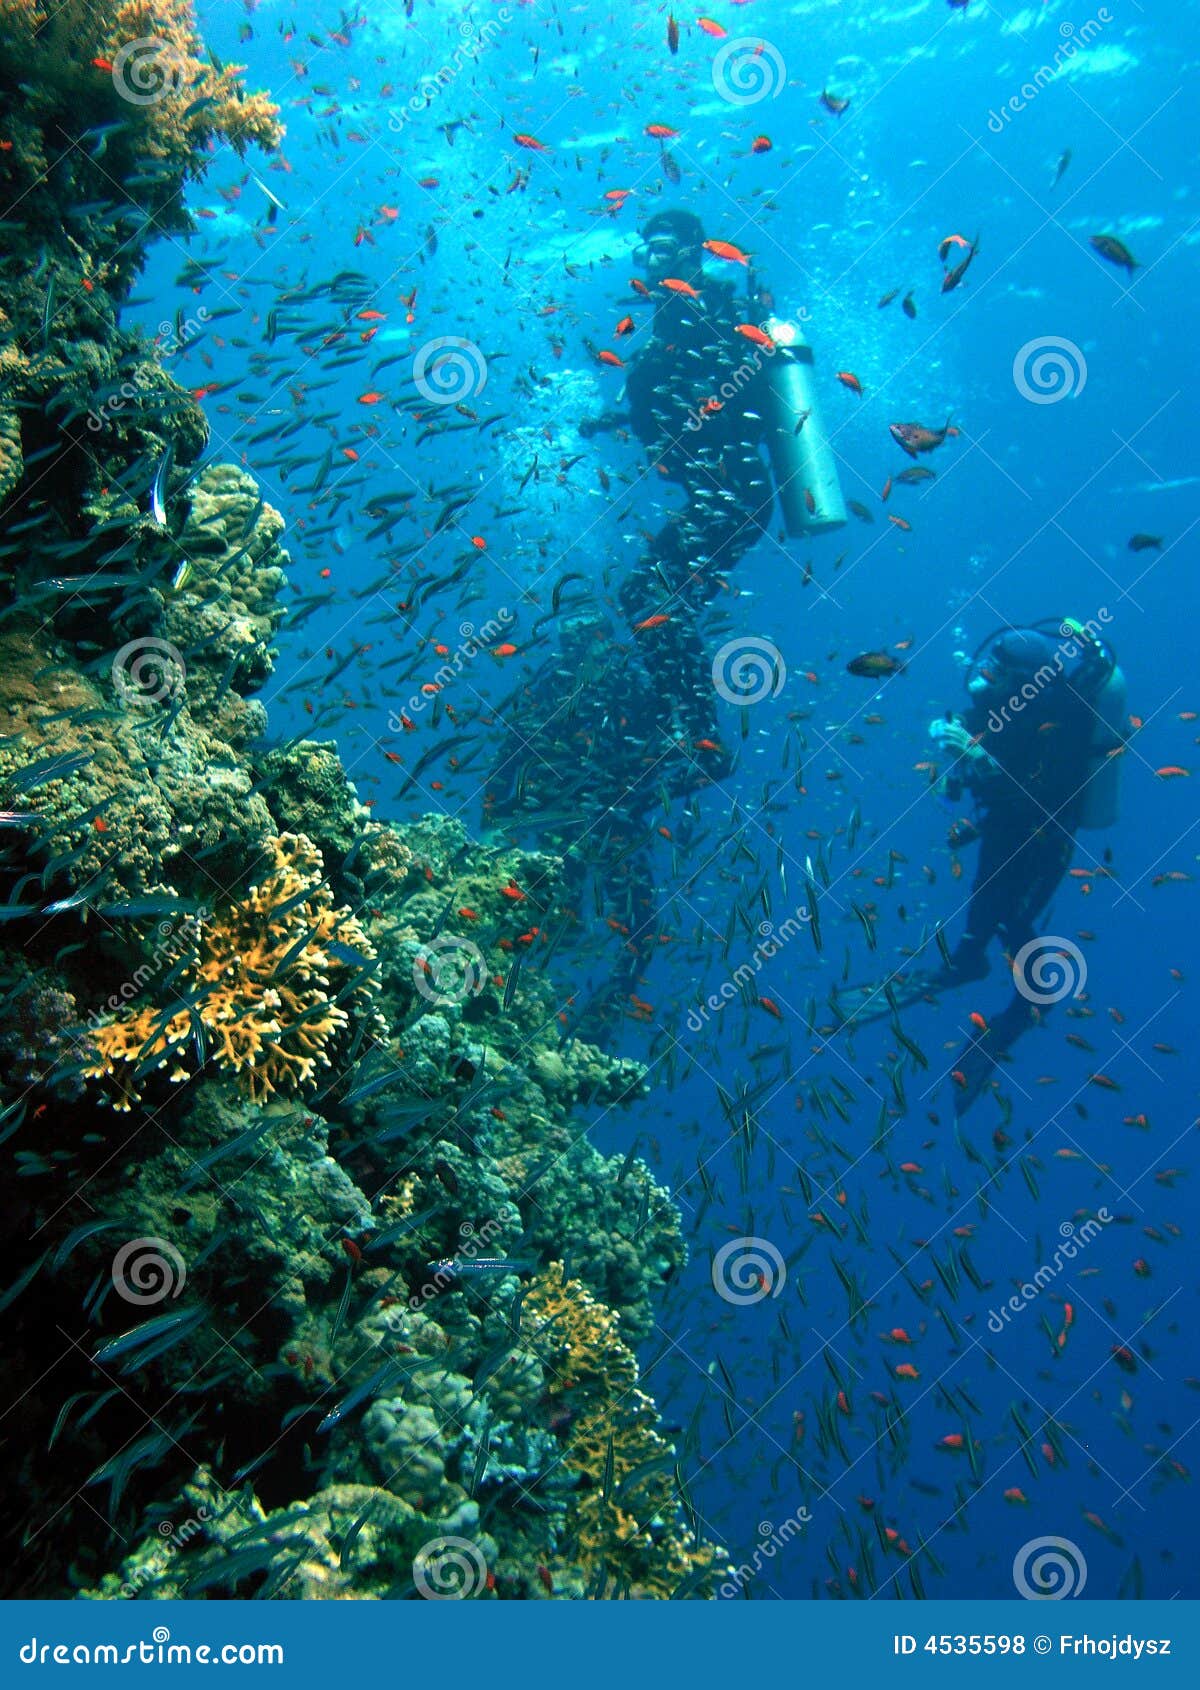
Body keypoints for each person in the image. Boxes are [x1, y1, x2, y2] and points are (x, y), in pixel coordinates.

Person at [853, 618, 1126, 1110]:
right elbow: (973, 759)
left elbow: (1047, 800)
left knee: (1015, 918)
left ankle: (1024, 1010)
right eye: (987, 665)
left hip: (1046, 840)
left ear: (1026, 681)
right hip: (1002, 826)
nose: (984, 676)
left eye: (998, 673)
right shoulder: (994, 700)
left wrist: (984, 767)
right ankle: (966, 961)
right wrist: (954, 764)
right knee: (984, 895)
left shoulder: (1059, 720)